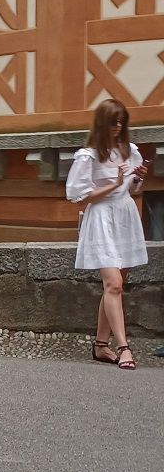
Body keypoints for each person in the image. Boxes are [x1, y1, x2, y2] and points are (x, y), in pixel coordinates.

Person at [65, 98, 150, 369]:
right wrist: (112, 184)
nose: (118, 126)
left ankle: (101, 345)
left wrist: (136, 178)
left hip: (124, 215)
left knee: (116, 285)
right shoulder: (88, 156)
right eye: (113, 121)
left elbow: (132, 190)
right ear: (102, 122)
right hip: (100, 217)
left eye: (122, 121)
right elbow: (78, 198)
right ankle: (124, 347)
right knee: (113, 283)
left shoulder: (129, 150)